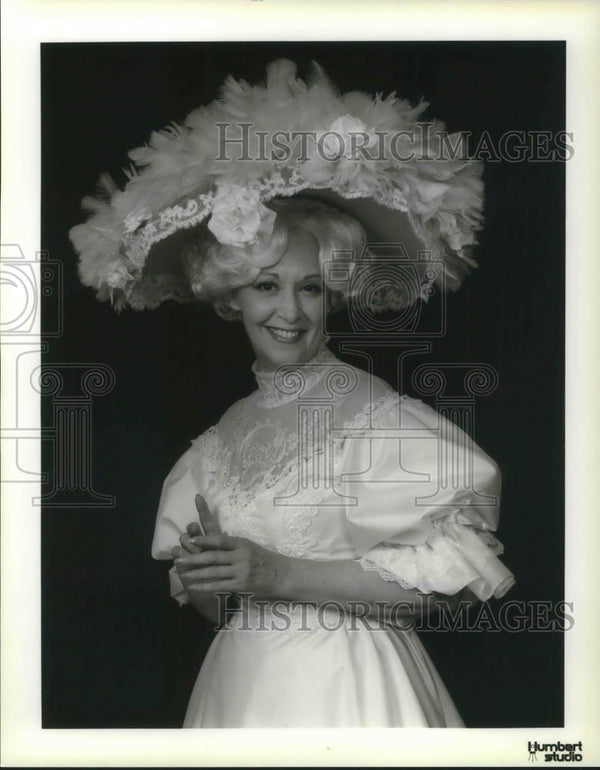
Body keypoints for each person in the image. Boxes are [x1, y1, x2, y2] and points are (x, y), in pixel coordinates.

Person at [70, 58, 515, 727]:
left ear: (333, 293)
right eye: (266, 286)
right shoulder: (220, 439)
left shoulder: (376, 418)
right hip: (240, 689)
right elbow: (221, 603)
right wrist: (208, 583)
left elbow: (446, 589)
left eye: (310, 287)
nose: (291, 311)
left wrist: (277, 574)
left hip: (351, 690)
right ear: (232, 298)